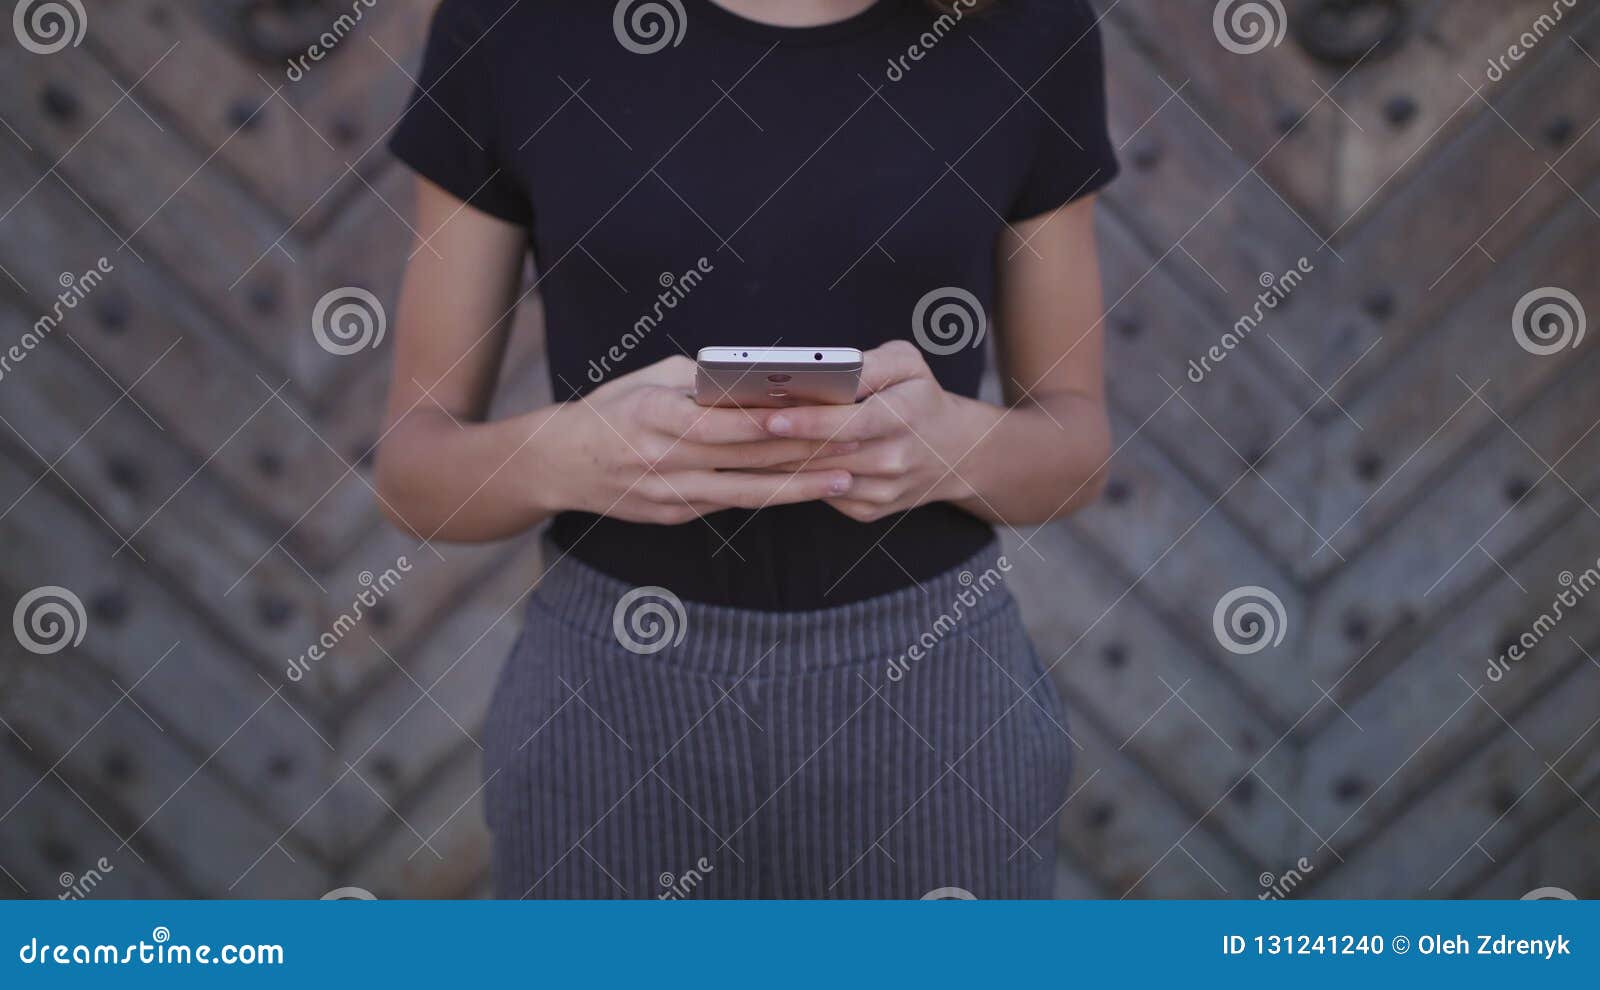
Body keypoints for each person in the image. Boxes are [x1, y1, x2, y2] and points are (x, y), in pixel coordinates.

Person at [377, 0, 1118, 899]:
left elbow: (1077, 448)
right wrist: (564, 454)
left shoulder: (1028, 28)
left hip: (935, 711)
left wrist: (952, 448)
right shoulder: (513, 24)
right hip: (609, 714)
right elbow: (414, 473)